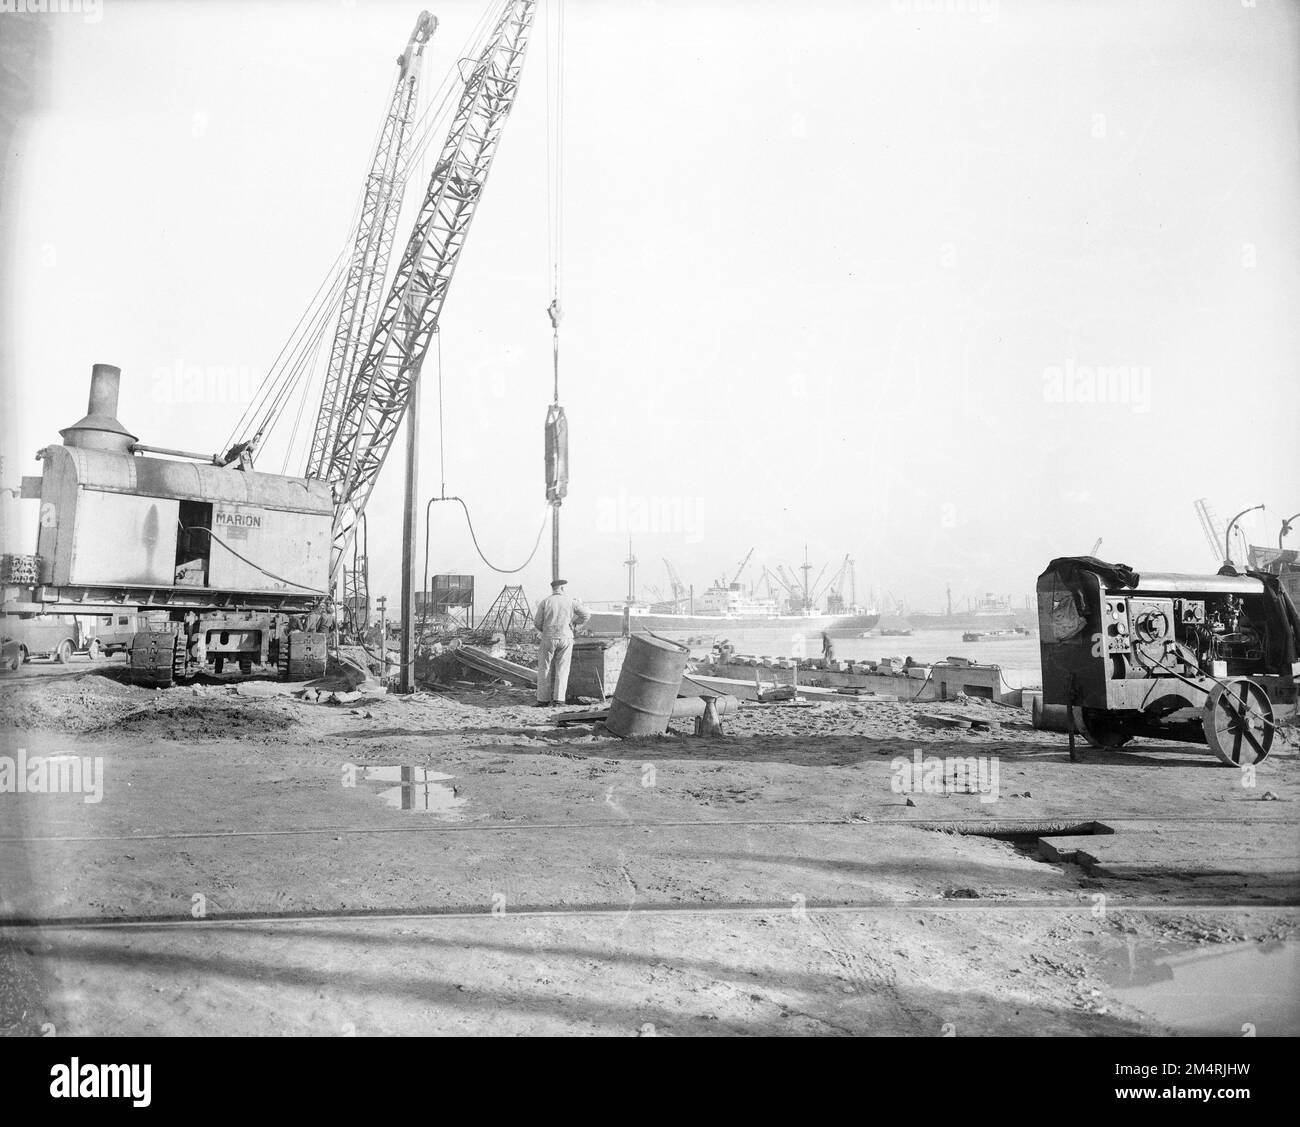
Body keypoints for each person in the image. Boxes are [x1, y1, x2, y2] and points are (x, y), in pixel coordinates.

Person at [533, 578, 590, 706]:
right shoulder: (571, 602)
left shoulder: (545, 602)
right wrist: (575, 623)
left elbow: (537, 622)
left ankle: (543, 700)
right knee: (562, 669)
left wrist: (547, 630)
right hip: (566, 637)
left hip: (548, 638)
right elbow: (586, 615)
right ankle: (559, 700)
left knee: (544, 669)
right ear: (563, 588)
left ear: (553, 589)